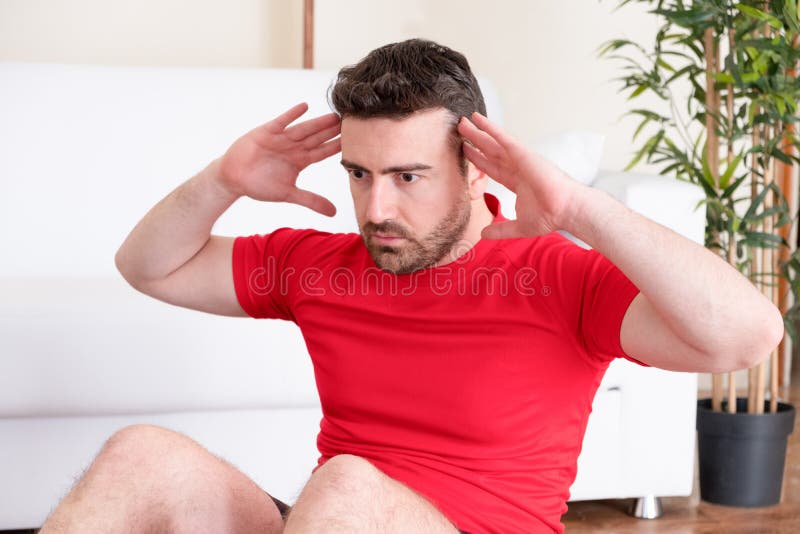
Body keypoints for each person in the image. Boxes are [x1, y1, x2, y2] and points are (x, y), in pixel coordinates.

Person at [40, 39, 783, 534]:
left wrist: (582, 210)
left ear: (478, 168)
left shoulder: (557, 275)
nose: (376, 209)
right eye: (359, 174)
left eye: (407, 177)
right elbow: (150, 267)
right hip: (333, 523)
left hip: (409, 520)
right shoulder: (317, 267)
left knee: (343, 490)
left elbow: (749, 336)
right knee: (142, 454)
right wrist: (222, 180)